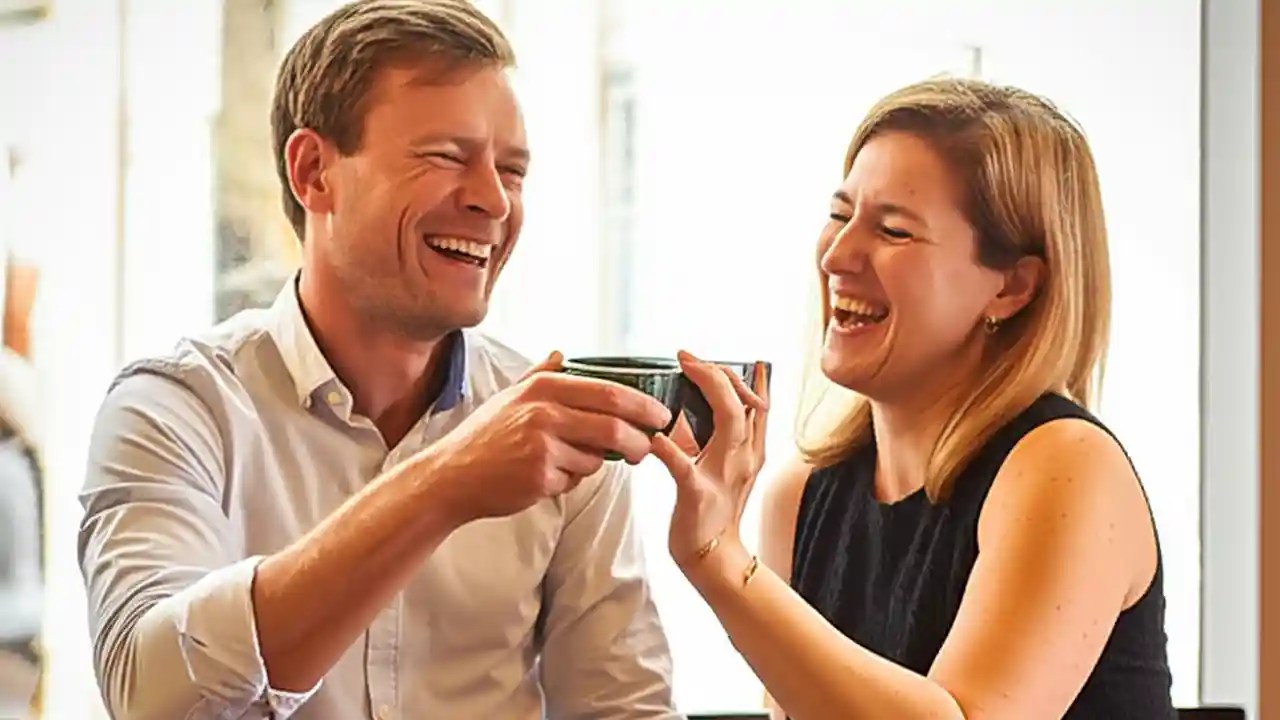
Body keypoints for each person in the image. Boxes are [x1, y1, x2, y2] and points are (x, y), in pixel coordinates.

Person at [78, 2, 681, 718]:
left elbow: (624, 709)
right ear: (313, 172)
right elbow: (150, 695)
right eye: (445, 157)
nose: (493, 200)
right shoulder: (176, 409)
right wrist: (443, 486)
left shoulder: (561, 431)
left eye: (512, 171)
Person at [649, 78, 1176, 719]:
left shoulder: (1066, 466)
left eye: (894, 231)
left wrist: (720, 561)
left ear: (1012, 287)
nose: (838, 256)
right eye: (840, 216)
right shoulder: (802, 495)